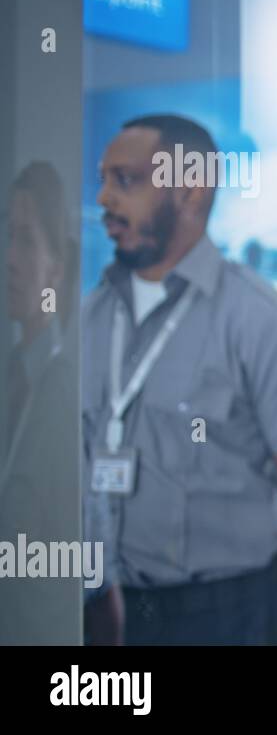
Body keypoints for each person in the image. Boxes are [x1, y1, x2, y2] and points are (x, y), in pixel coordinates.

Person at [81, 114, 277, 645]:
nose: (104, 198)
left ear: (191, 192)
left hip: (225, 617)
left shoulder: (263, 321)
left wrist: (237, 574)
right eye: (102, 179)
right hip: (103, 611)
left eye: (126, 180)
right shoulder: (88, 317)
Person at [0, 162, 81, 644]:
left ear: (55, 268)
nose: (9, 258)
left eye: (26, 241)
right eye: (8, 236)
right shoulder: (12, 378)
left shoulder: (61, 396)